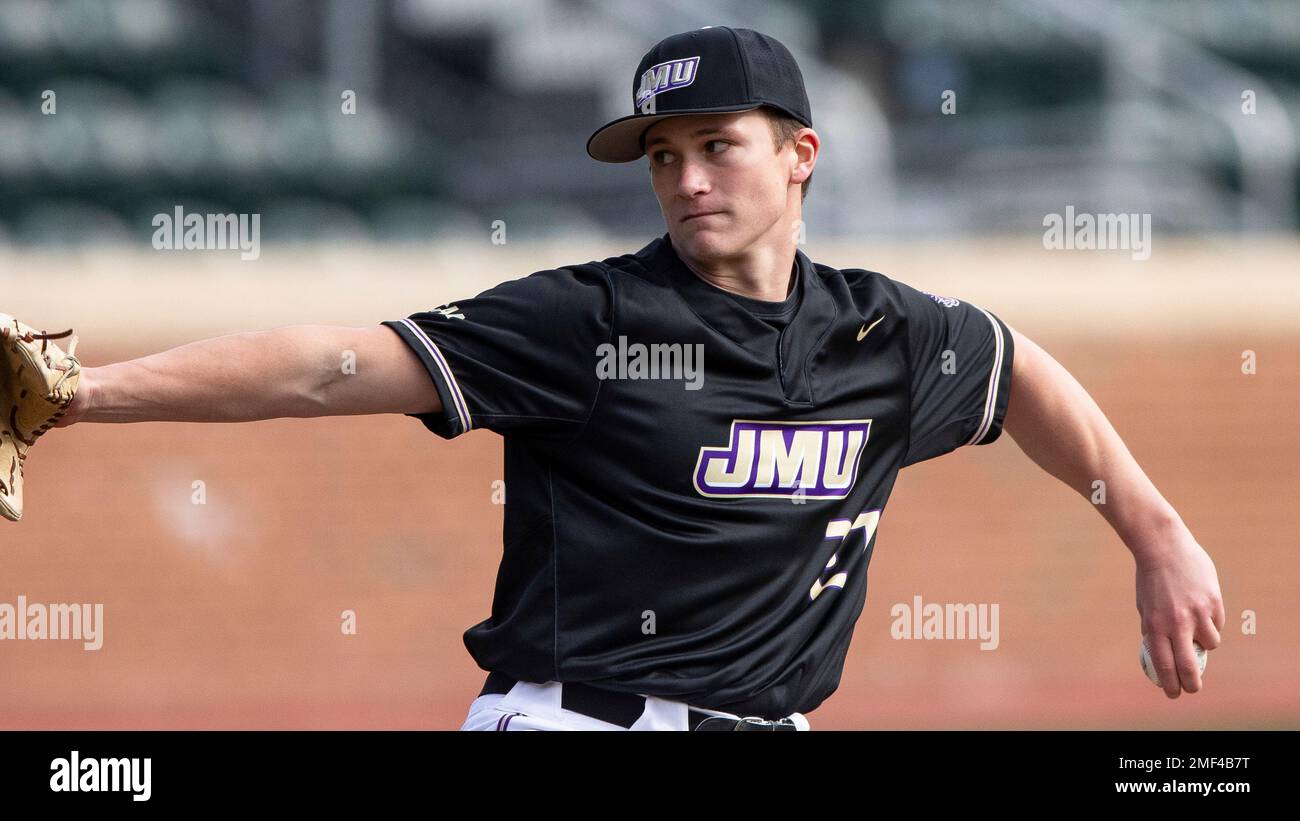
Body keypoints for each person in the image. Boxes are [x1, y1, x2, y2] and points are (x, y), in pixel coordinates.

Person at [48, 26, 1222, 730]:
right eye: (664, 154)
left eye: (718, 144)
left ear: (800, 157)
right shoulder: (589, 318)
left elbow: (1020, 376)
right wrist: (86, 390)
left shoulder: (885, 334)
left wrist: (1157, 535)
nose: (687, 176)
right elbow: (328, 367)